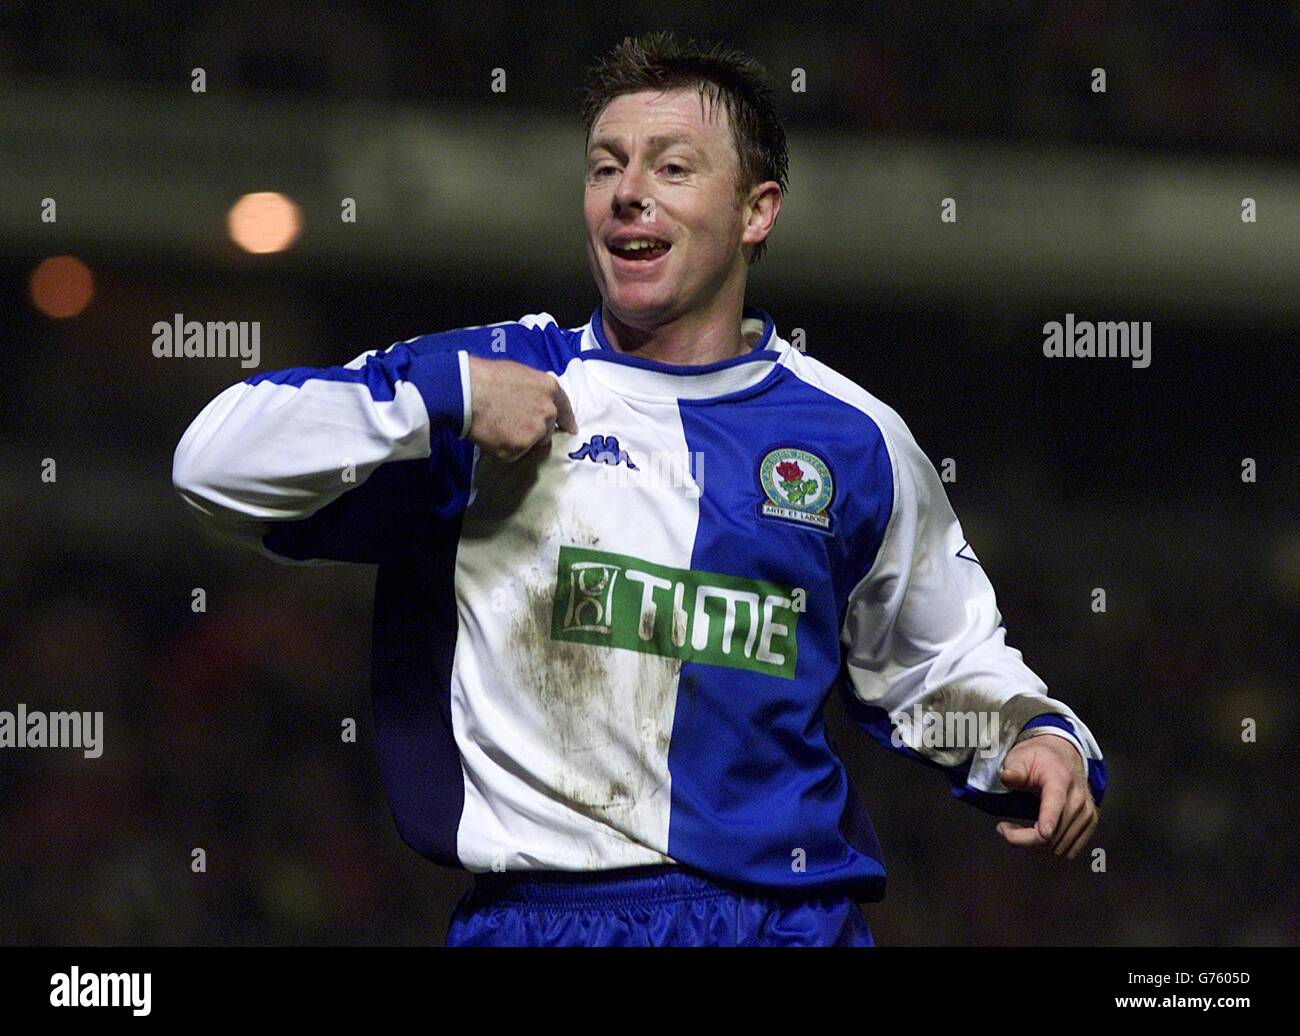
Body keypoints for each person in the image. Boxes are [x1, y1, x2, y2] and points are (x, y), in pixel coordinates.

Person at [172, 31, 1105, 947]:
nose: (627, 193)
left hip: (784, 922)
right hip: (543, 919)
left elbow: (935, 657)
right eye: (606, 166)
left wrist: (1034, 736)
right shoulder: (494, 380)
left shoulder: (852, 438)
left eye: (671, 168)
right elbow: (212, 463)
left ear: (757, 211)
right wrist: (438, 399)